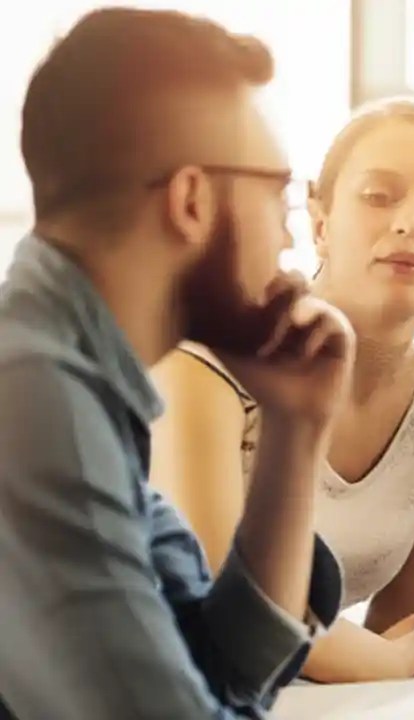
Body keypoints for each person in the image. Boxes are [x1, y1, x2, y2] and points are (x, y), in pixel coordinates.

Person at [0, 8, 354, 718]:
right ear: (192, 200)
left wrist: (294, 428)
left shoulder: (78, 387)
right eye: (278, 192)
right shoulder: (34, 397)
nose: (288, 237)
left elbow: (220, 676)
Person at [148, 99, 414, 683]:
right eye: (379, 196)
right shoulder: (206, 360)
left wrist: (381, 661)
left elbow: (397, 635)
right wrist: (381, 660)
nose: (413, 223)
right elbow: (219, 597)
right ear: (319, 220)